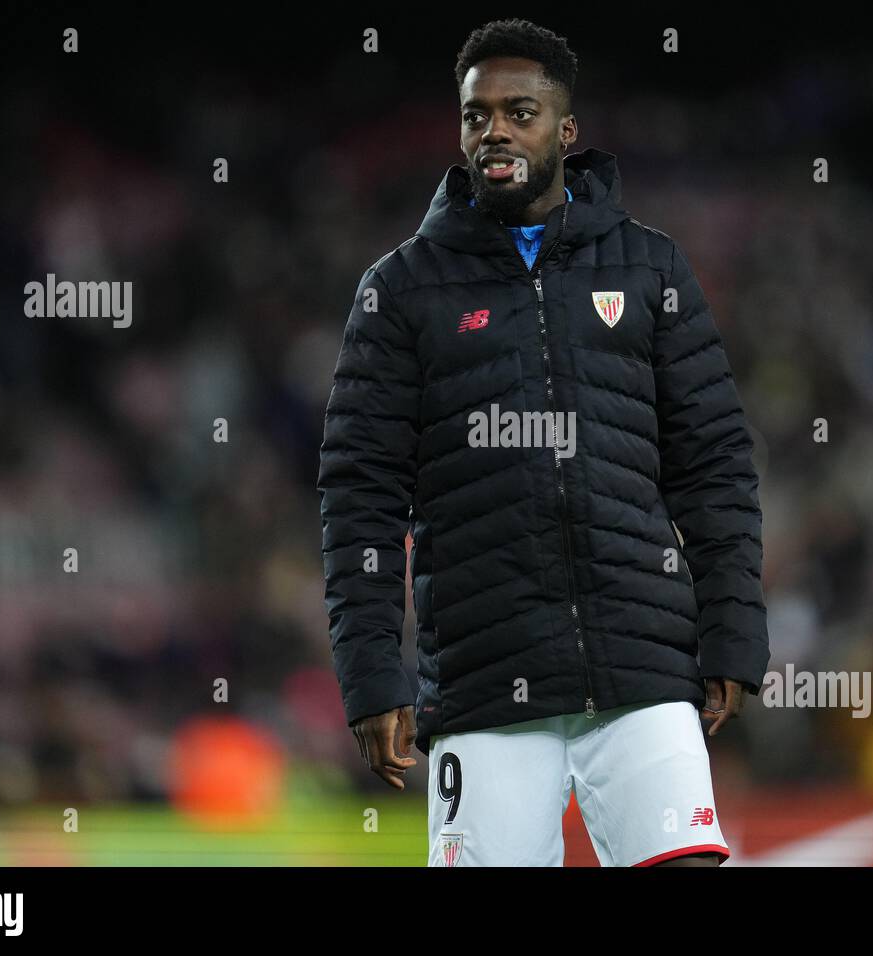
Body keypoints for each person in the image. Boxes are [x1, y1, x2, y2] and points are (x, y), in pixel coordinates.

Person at [317, 18, 769, 867]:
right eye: (475, 114)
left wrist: (733, 629)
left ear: (566, 131)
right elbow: (359, 497)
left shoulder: (650, 270)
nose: (494, 130)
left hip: (641, 674)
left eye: (518, 111)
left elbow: (714, 465)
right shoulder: (400, 290)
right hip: (486, 686)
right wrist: (373, 674)